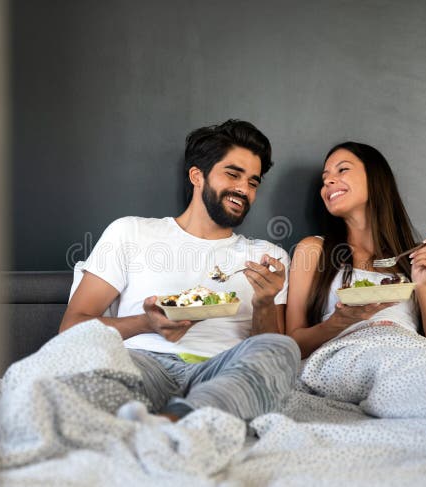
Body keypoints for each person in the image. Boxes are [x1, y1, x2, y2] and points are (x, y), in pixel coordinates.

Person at [60, 119, 300, 422]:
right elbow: (71, 329)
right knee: (83, 378)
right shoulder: (130, 232)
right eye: (233, 174)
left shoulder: (268, 257)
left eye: (253, 182)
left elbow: (269, 345)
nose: (244, 189)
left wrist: (265, 302)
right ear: (197, 176)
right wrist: (147, 323)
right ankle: (177, 423)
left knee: (284, 351)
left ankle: (175, 421)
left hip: (223, 370)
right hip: (142, 361)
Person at [286, 141, 426, 358]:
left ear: (375, 177)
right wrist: (337, 323)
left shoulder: (420, 258)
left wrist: (422, 286)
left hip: (411, 357)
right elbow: (292, 346)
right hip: (348, 359)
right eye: (324, 178)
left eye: (343, 169)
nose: (328, 181)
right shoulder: (312, 250)